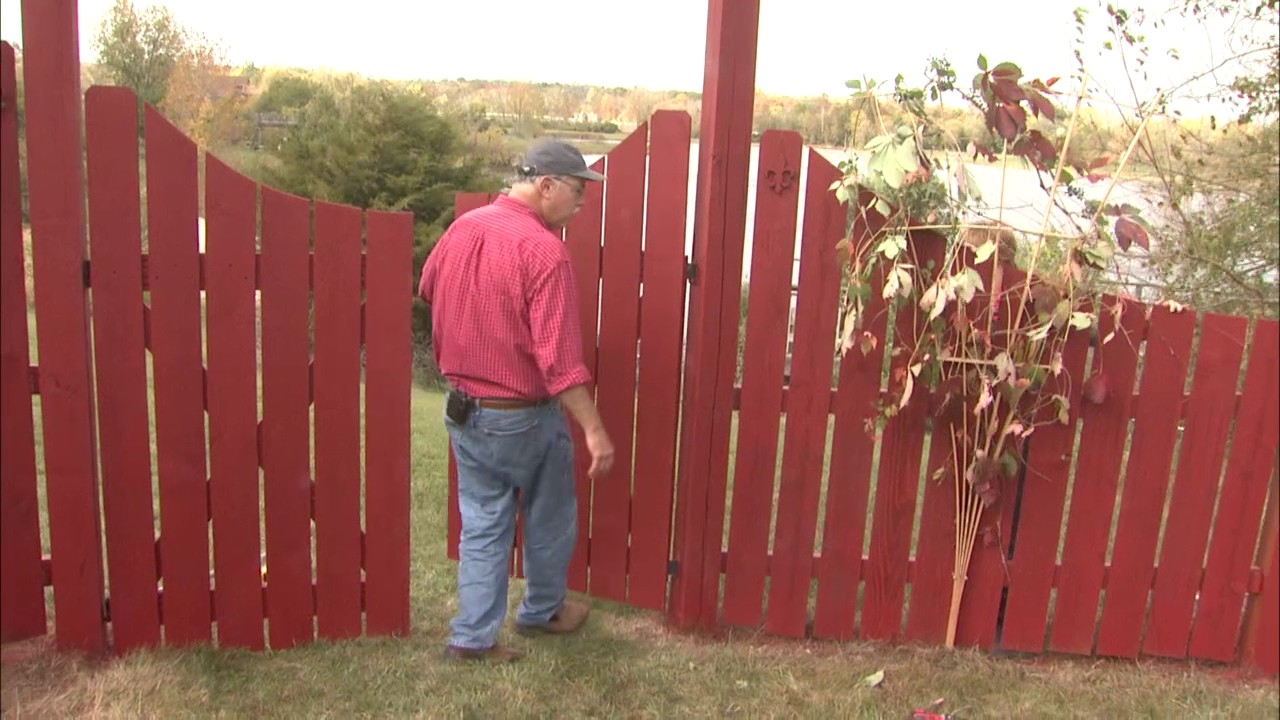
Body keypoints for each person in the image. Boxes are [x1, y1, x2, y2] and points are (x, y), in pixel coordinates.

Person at [417, 138, 615, 662]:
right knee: (550, 515)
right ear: (546, 185)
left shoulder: (464, 228)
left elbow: (427, 287)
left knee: (483, 522)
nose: (582, 202)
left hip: (464, 410)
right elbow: (560, 363)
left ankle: (471, 638)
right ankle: (543, 610)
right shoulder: (545, 251)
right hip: (521, 417)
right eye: (577, 191)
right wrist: (595, 430)